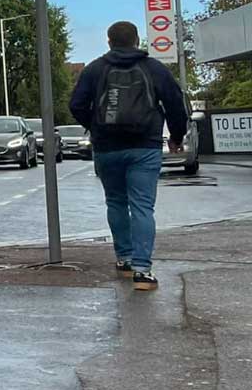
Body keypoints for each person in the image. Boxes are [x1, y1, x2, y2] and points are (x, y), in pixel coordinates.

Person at [68, 20, 188, 291]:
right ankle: (143, 271)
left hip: (107, 147)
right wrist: (177, 137)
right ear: (137, 41)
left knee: (116, 202)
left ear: (109, 42)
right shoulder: (154, 68)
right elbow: (175, 104)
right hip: (144, 146)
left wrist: (95, 126)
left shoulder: (95, 69)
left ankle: (124, 258)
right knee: (143, 206)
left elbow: (75, 104)